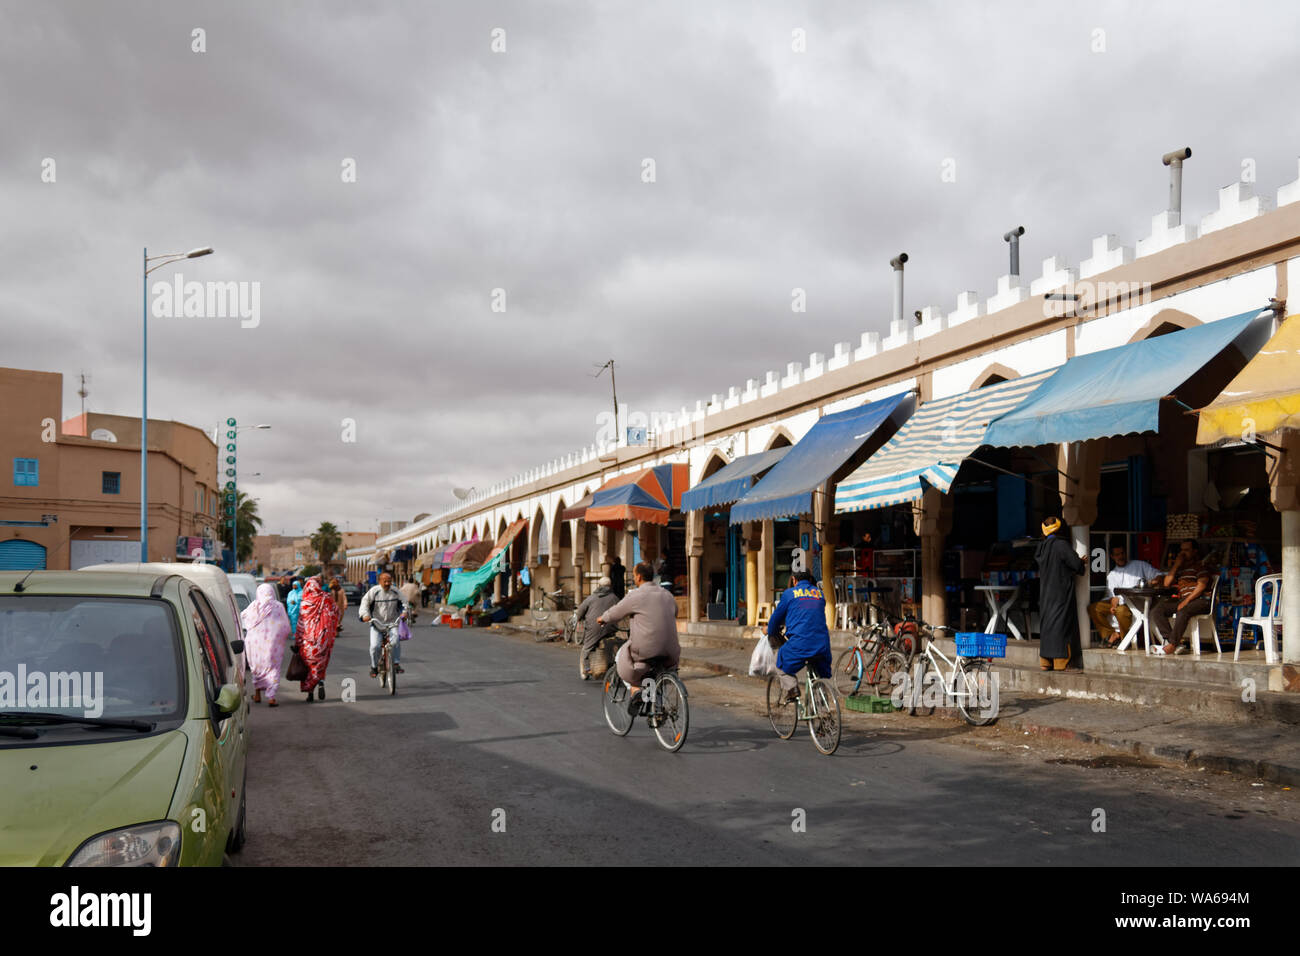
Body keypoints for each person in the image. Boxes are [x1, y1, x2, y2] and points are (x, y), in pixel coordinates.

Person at [598, 561, 679, 714]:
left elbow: (616, 612)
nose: (634, 578)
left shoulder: (635, 595)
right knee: (655, 670)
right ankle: (657, 708)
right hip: (671, 650)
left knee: (622, 658)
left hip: (647, 649)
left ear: (639, 577)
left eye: (634, 575)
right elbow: (675, 612)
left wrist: (603, 618)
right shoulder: (667, 594)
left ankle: (635, 691)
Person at [765, 570, 833, 703]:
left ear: (794, 580)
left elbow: (775, 619)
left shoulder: (789, 594)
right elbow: (808, 613)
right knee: (817, 674)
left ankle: (792, 689)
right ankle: (824, 708)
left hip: (800, 644)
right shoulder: (819, 593)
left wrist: (770, 631)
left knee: (779, 662)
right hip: (822, 645)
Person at [1034, 516, 1086, 671]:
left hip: (1046, 594)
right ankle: (1061, 662)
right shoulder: (1061, 545)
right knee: (1062, 624)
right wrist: (1081, 562)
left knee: (1048, 625)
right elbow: (1076, 565)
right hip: (1061, 592)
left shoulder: (1041, 547)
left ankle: (1046, 661)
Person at [1087, 544, 1160, 648]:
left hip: (1136, 603)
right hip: (1119, 601)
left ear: (1126, 553)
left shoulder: (1139, 565)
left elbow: (1158, 575)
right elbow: (1114, 596)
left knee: (1121, 611)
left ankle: (1123, 639)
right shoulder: (1112, 575)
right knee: (1094, 608)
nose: (1120, 557)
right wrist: (1113, 606)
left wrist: (1152, 582)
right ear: (1112, 557)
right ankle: (1111, 634)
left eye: (1122, 553)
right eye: (1117, 555)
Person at [1152, 539, 1215, 655]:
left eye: (1187, 550)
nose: (1183, 553)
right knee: (1157, 610)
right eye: (1181, 550)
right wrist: (1176, 565)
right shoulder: (1181, 568)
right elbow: (1166, 583)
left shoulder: (1200, 565)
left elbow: (1201, 586)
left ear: (1194, 551)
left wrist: (1186, 601)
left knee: (1183, 610)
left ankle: (1172, 645)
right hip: (1184, 599)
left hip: (1201, 600)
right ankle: (1171, 641)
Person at [240, 583, 292, 707]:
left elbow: (243, 616)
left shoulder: (253, 606)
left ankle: (257, 695)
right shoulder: (278, 606)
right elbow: (285, 626)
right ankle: (271, 698)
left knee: (257, 669)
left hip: (255, 645)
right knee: (273, 669)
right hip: (273, 646)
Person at [295, 576, 341, 701]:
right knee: (320, 663)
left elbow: (301, 623)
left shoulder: (305, 602)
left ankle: (310, 692)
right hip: (323, 638)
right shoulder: (326, 598)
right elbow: (336, 611)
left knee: (309, 665)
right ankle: (320, 681)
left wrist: (297, 640)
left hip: (307, 641)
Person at [360, 571, 410, 679]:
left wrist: (404, 612)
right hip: (377, 623)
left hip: (392, 623)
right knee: (375, 646)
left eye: (389, 581)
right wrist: (365, 615)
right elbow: (365, 603)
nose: (387, 583)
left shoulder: (395, 591)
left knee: (395, 640)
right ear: (379, 581)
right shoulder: (374, 591)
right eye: (385, 581)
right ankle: (374, 667)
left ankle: (396, 663)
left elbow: (404, 603)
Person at [575, 575, 619, 680]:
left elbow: (580, 611)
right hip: (611, 627)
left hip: (594, 627)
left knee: (587, 647)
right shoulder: (615, 598)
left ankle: (586, 669)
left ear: (598, 585)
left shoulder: (591, 598)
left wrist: (579, 618)